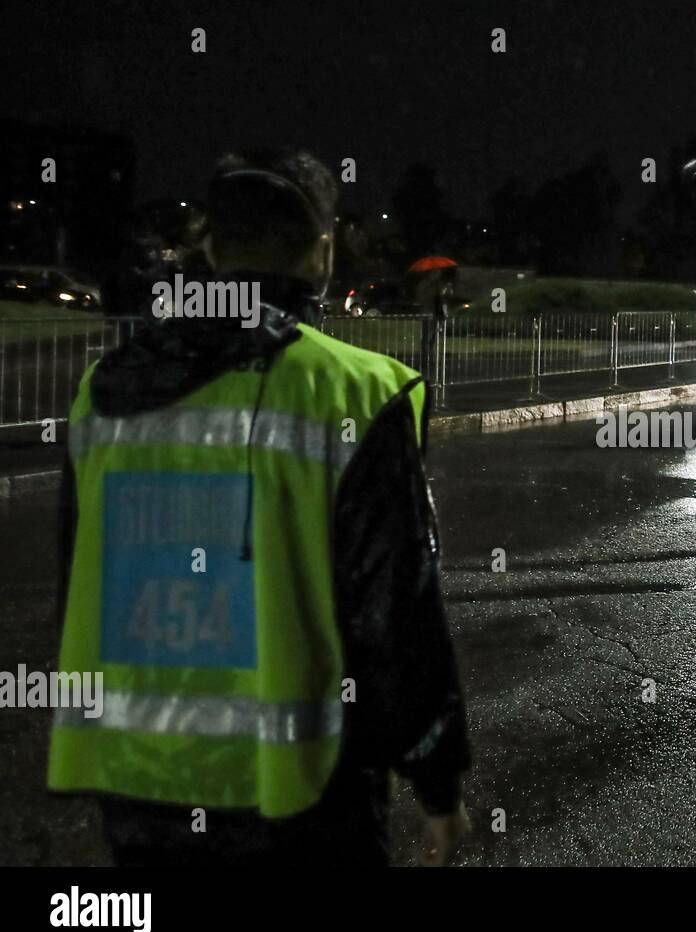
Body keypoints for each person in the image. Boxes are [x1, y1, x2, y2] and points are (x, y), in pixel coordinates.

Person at [48, 148, 471, 866]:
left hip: (138, 785)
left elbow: (78, 582)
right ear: (325, 253)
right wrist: (437, 784)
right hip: (302, 801)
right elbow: (396, 613)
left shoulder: (102, 390)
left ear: (210, 249)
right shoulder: (355, 393)